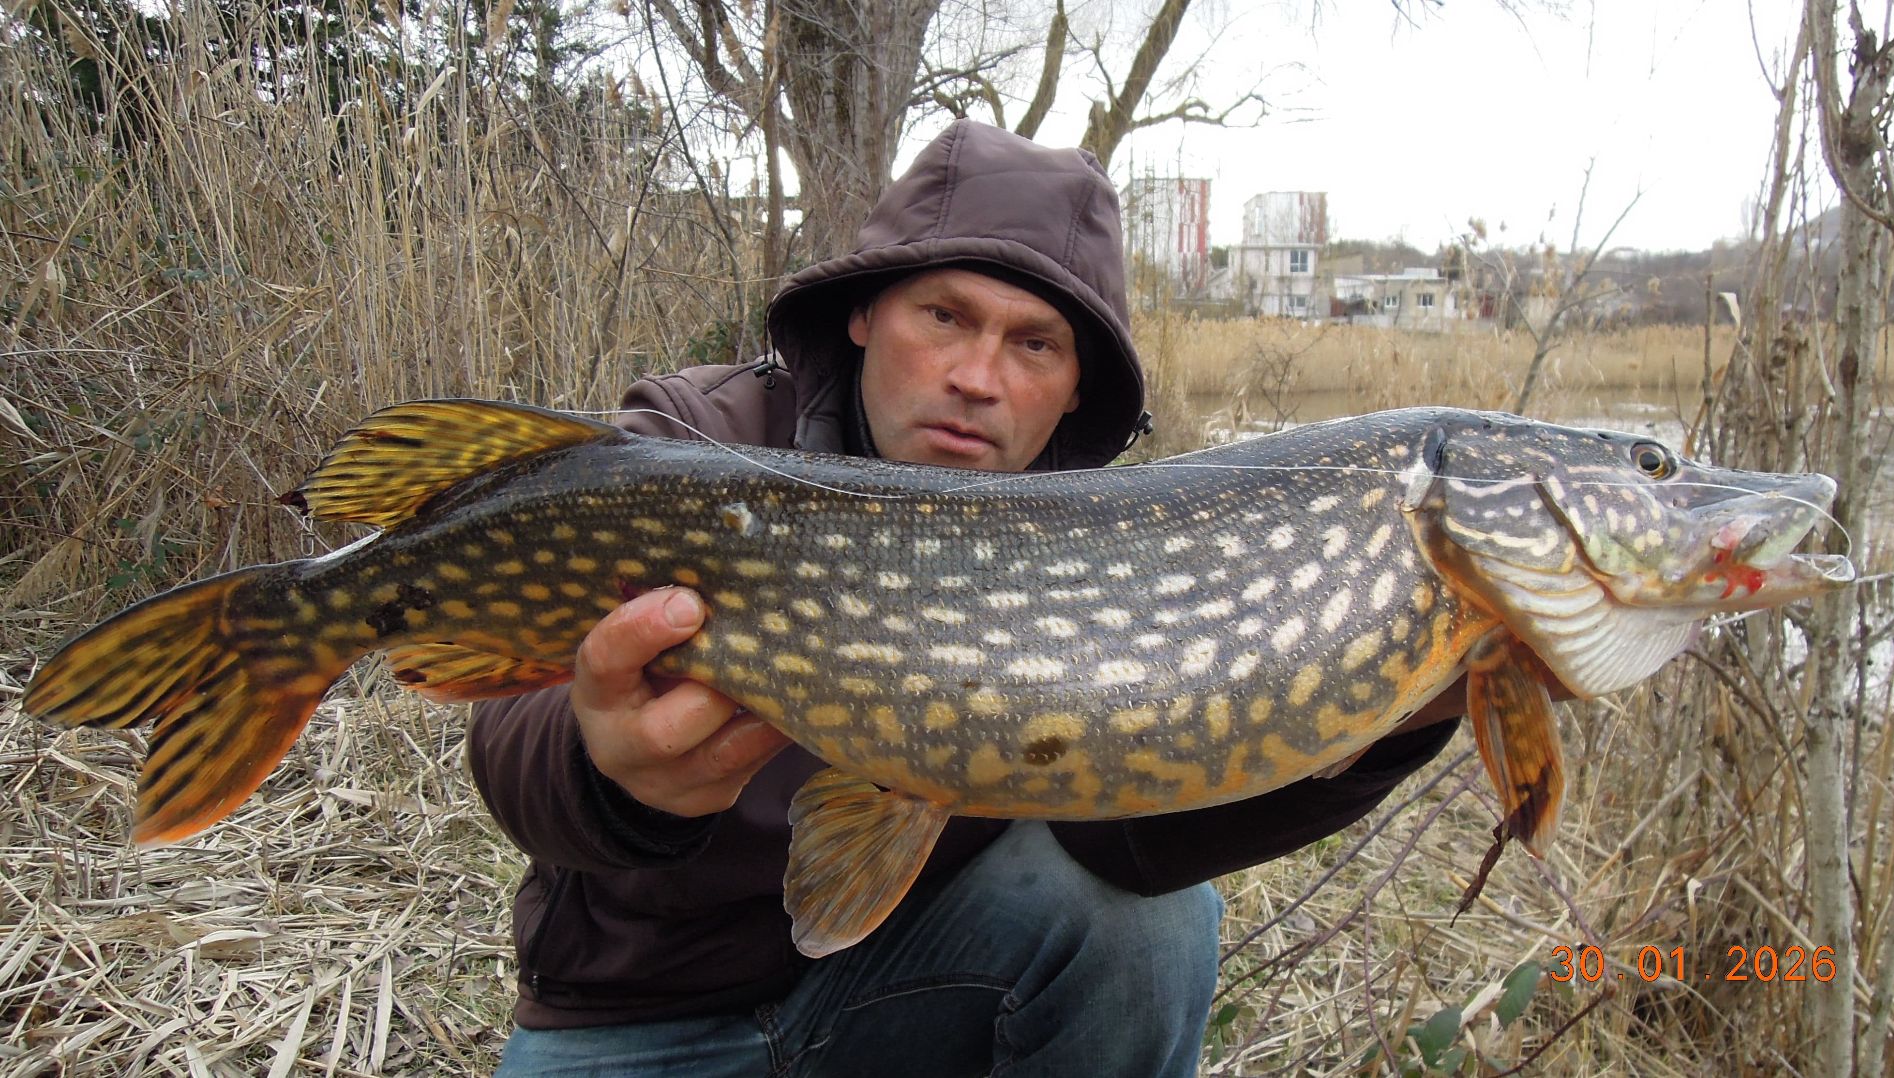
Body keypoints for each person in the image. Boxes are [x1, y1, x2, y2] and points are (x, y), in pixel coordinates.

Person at [468, 119, 1461, 1076]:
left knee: (1157, 926)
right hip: (638, 1017)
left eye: (1036, 346)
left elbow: (1124, 835)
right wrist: (610, 770)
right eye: (944, 316)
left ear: (1076, 387)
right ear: (864, 314)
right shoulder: (695, 443)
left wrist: (1401, 710)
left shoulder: (1085, 542)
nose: (978, 377)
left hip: (895, 994)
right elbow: (504, 722)